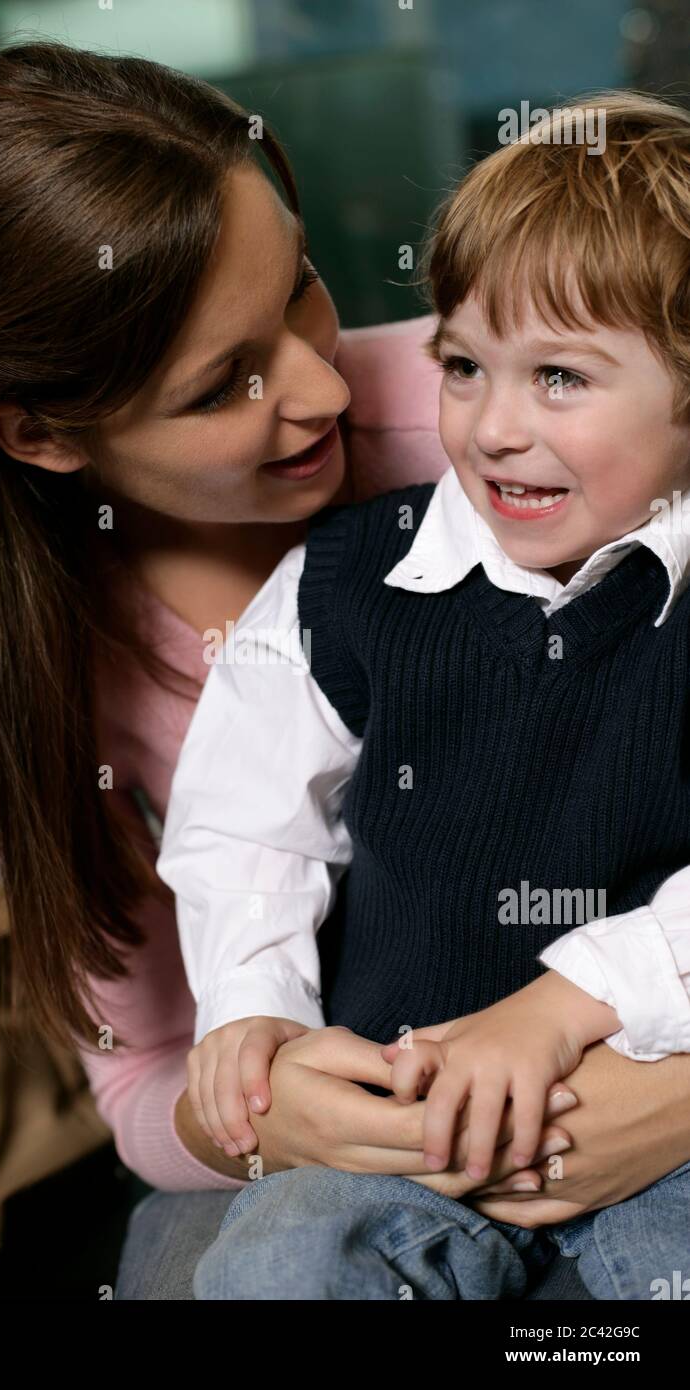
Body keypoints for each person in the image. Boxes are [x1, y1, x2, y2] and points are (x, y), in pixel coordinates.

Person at [0, 40, 690, 1299]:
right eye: (220, 384)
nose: (319, 385)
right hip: (363, 1129)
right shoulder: (2, 639)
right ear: (38, 431)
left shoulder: (538, 378)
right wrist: (259, 1100)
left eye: (300, 288)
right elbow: (146, 1066)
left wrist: (657, 1091)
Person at [156, 91, 690, 1299]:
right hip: (397, 1118)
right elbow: (244, 822)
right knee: (275, 1271)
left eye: (559, 377)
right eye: (460, 363)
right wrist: (251, 1013)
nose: (492, 426)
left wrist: (563, 1007)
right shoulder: (340, 579)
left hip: (651, 1107)